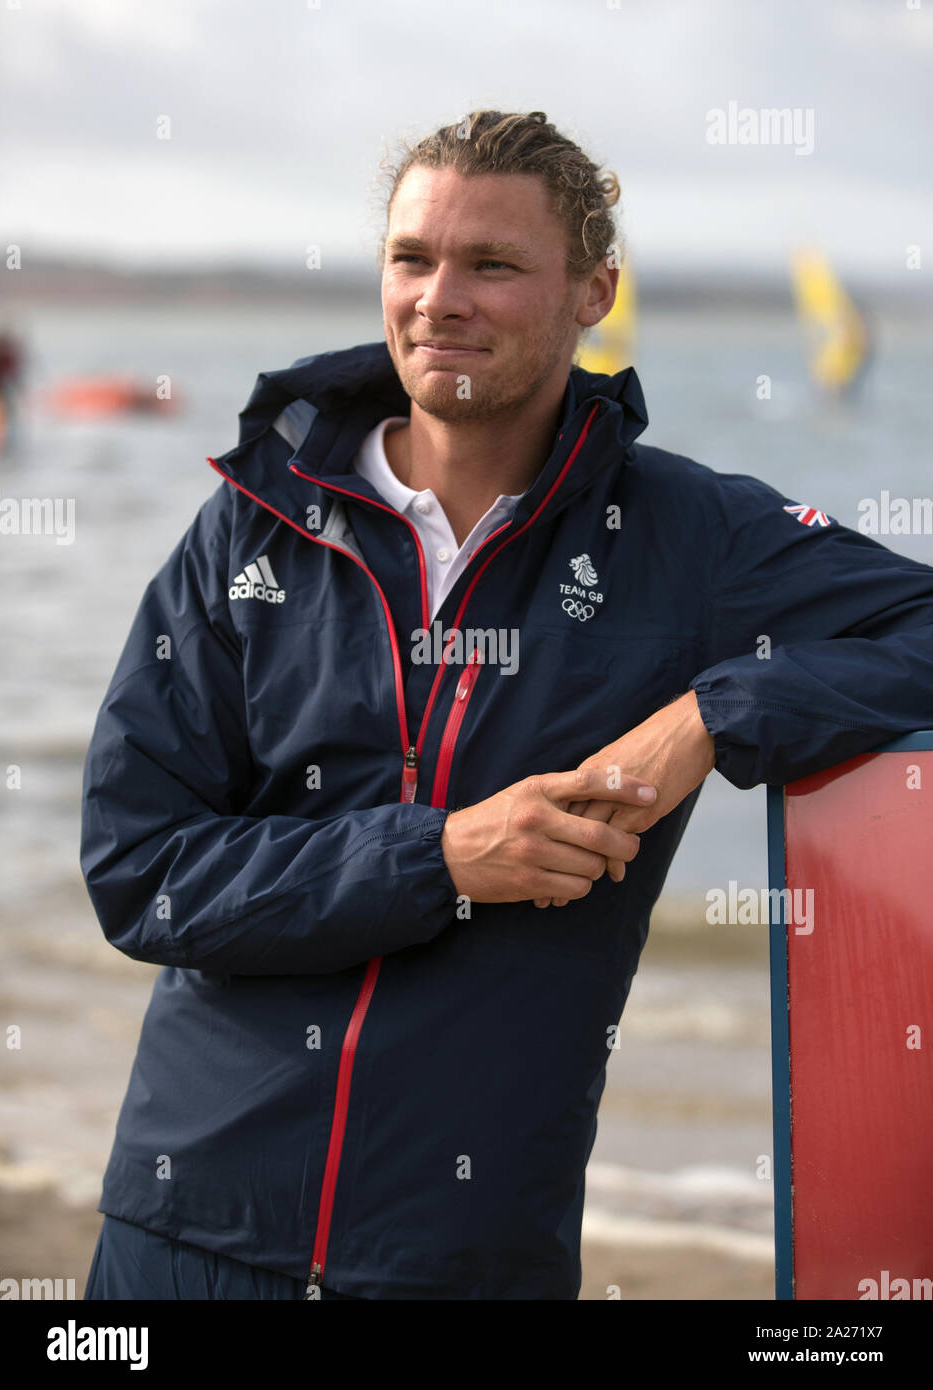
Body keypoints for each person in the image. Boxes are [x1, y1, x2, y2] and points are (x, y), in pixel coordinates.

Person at [80, 109, 933, 1301]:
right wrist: (440, 856)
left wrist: (713, 717)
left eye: (492, 263)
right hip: (179, 1237)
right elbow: (140, 870)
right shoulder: (250, 525)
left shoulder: (690, 536)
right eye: (413, 258)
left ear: (594, 290)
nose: (441, 299)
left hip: (466, 1260)